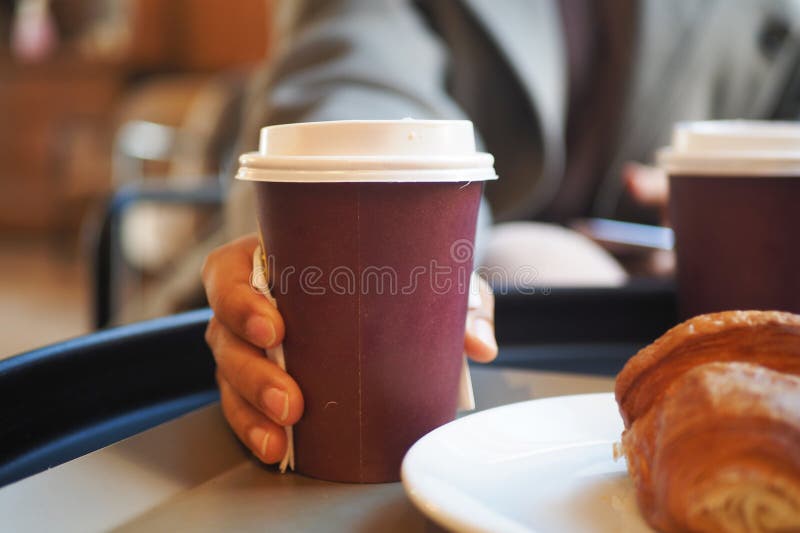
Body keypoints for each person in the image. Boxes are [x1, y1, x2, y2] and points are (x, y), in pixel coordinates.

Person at [202, 0, 800, 464]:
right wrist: (340, 238)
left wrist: (716, 214)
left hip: (682, 341)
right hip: (486, 321)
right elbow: (347, 88)